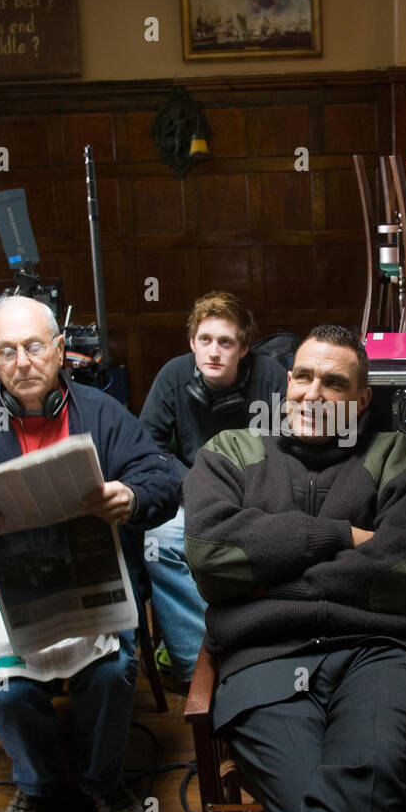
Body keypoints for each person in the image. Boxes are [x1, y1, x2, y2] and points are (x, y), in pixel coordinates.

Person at [183, 324, 406, 812]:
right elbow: (213, 559)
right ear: (287, 382)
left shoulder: (398, 456)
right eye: (302, 376)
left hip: (381, 655)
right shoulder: (229, 451)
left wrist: (271, 582)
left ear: (363, 398)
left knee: (360, 783)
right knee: (336, 808)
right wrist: (342, 537)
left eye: (334, 382)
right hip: (262, 663)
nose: (312, 393)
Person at [0, 296, 181, 812]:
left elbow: (164, 479)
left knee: (112, 669)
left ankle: (103, 781)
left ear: (59, 351)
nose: (23, 362)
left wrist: (130, 494)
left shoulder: (102, 412)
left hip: (93, 571)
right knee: (5, 688)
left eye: (34, 347)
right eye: (7, 351)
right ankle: (35, 786)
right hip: (3, 582)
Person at [139, 292, 286, 688]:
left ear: (243, 347)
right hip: (192, 494)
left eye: (225, 342)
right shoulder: (172, 376)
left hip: (256, 497)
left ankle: (254, 648)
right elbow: (147, 450)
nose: (214, 352)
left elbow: (286, 447)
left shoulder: (271, 375)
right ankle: (196, 669)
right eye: (205, 340)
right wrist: (194, 484)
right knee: (158, 541)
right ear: (192, 343)